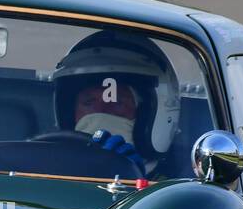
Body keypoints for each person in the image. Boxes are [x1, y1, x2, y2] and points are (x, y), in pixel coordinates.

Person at [50, 30, 182, 173]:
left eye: (116, 102)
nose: (101, 111)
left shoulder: (176, 191)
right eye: (88, 102)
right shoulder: (49, 173)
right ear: (69, 113)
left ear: (150, 115)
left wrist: (132, 178)